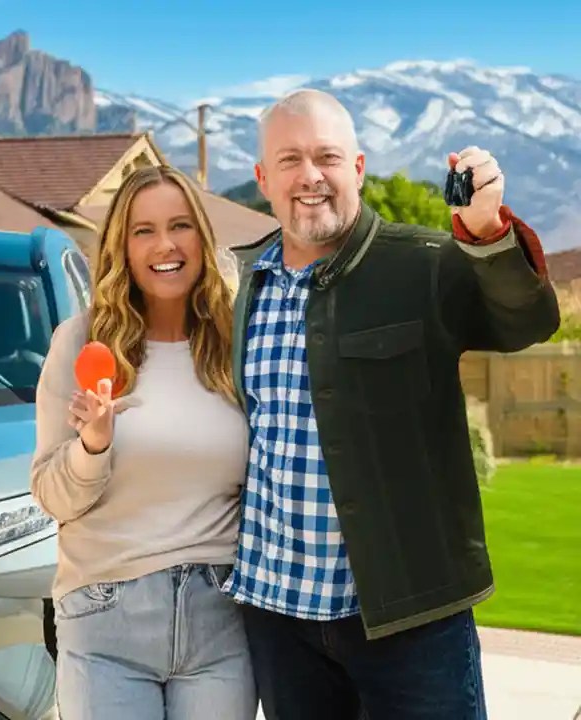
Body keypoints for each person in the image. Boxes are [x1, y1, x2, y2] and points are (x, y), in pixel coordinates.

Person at [222, 88, 560, 720]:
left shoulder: (423, 263)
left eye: (327, 156)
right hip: (278, 620)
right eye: (290, 160)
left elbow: (526, 320)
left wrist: (486, 230)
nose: (310, 176)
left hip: (411, 621)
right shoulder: (244, 286)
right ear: (263, 177)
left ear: (357, 168)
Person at [30, 165, 256, 719]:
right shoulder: (83, 343)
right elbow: (52, 497)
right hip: (106, 616)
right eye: (143, 231)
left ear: (201, 237)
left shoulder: (236, 342)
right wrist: (93, 446)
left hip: (221, 617)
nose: (165, 245)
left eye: (179, 226)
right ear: (123, 248)